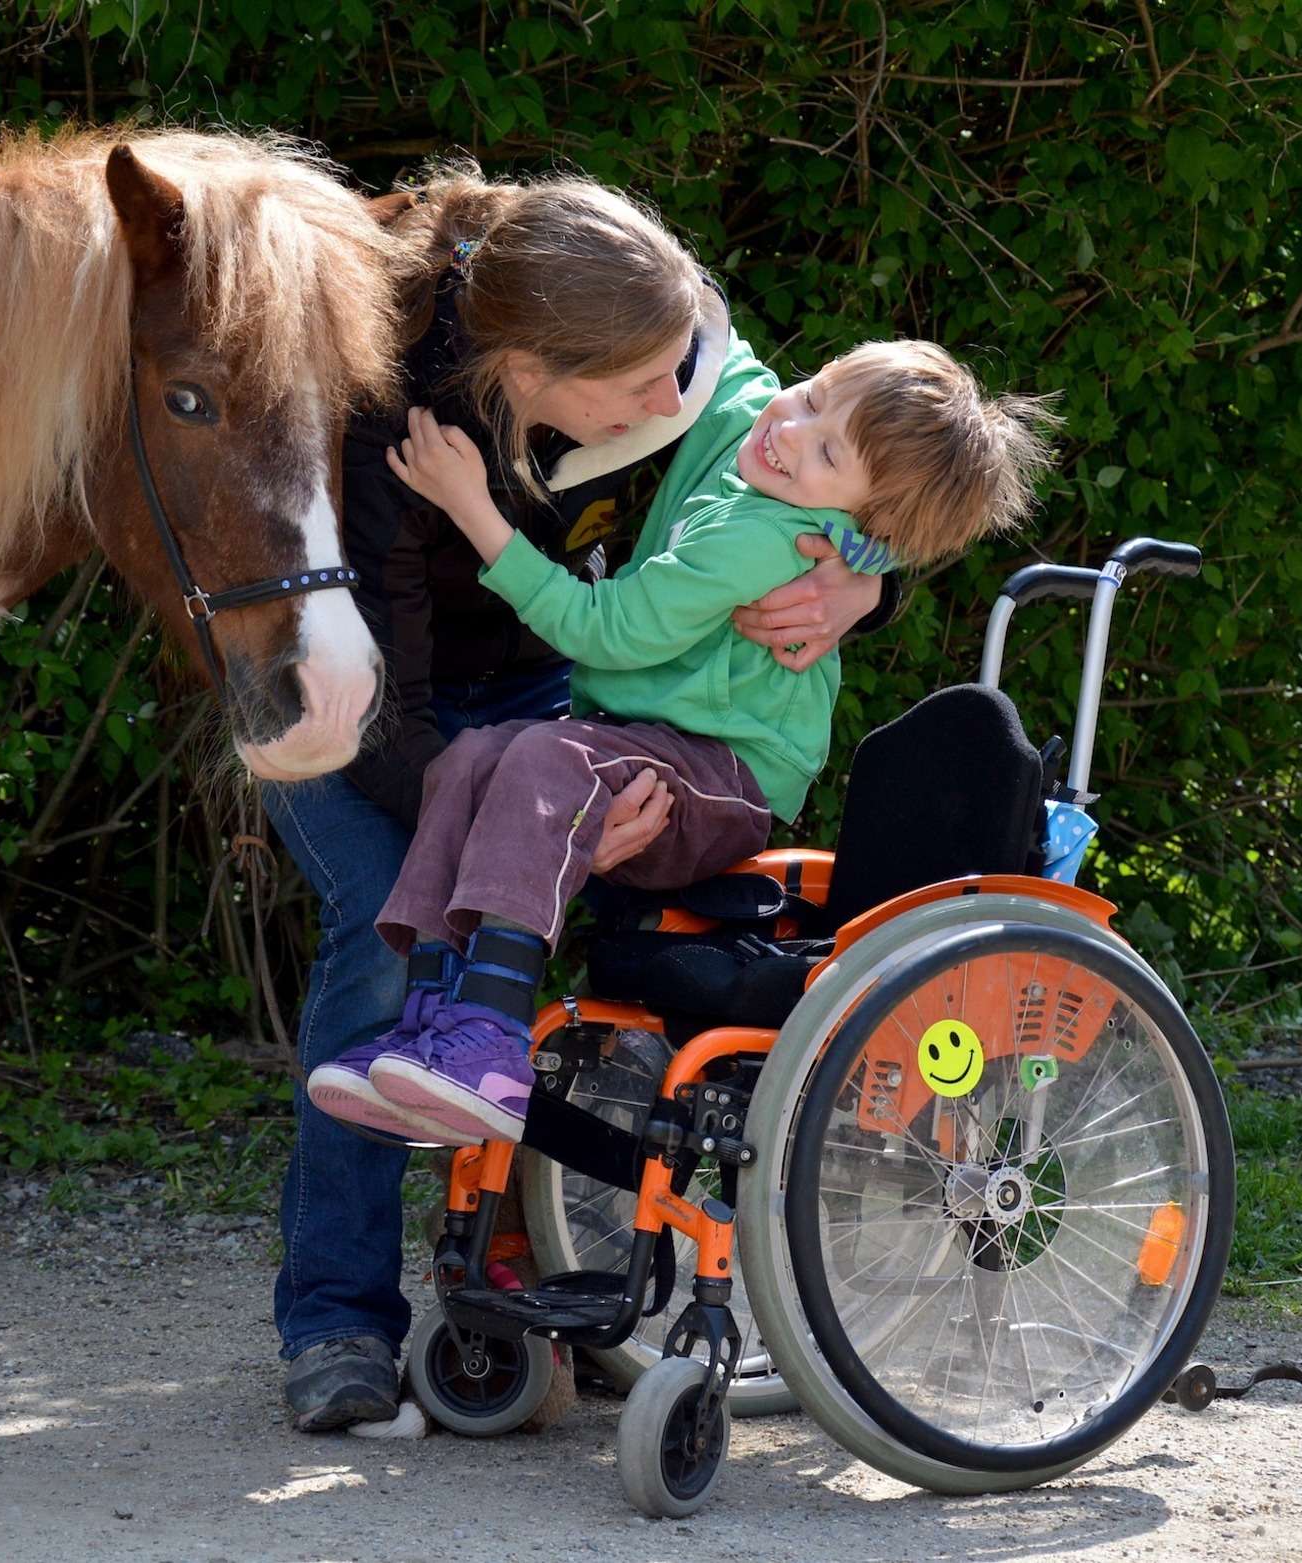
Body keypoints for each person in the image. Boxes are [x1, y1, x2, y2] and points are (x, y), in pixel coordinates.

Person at [261, 168, 893, 1432]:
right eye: (643, 385)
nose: (676, 397)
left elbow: (832, 463)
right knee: (392, 938)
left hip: (565, 681)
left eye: (684, 359)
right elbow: (392, 713)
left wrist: (863, 582)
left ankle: (497, 1280)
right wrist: (530, 822)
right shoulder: (388, 413)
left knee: (562, 939)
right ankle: (335, 1320)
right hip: (359, 696)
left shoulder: (671, 335)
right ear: (524, 377)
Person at [309, 333, 1056, 1145]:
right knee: (467, 757)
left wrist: (471, 507)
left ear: (856, 516)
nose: (790, 429)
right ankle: (429, 1020)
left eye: (827, 451)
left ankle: (488, 1035)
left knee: (537, 755)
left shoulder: (762, 538)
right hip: (636, 738)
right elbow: (706, 334)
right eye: (811, 393)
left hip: (722, 774)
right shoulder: (749, 423)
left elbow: (605, 631)